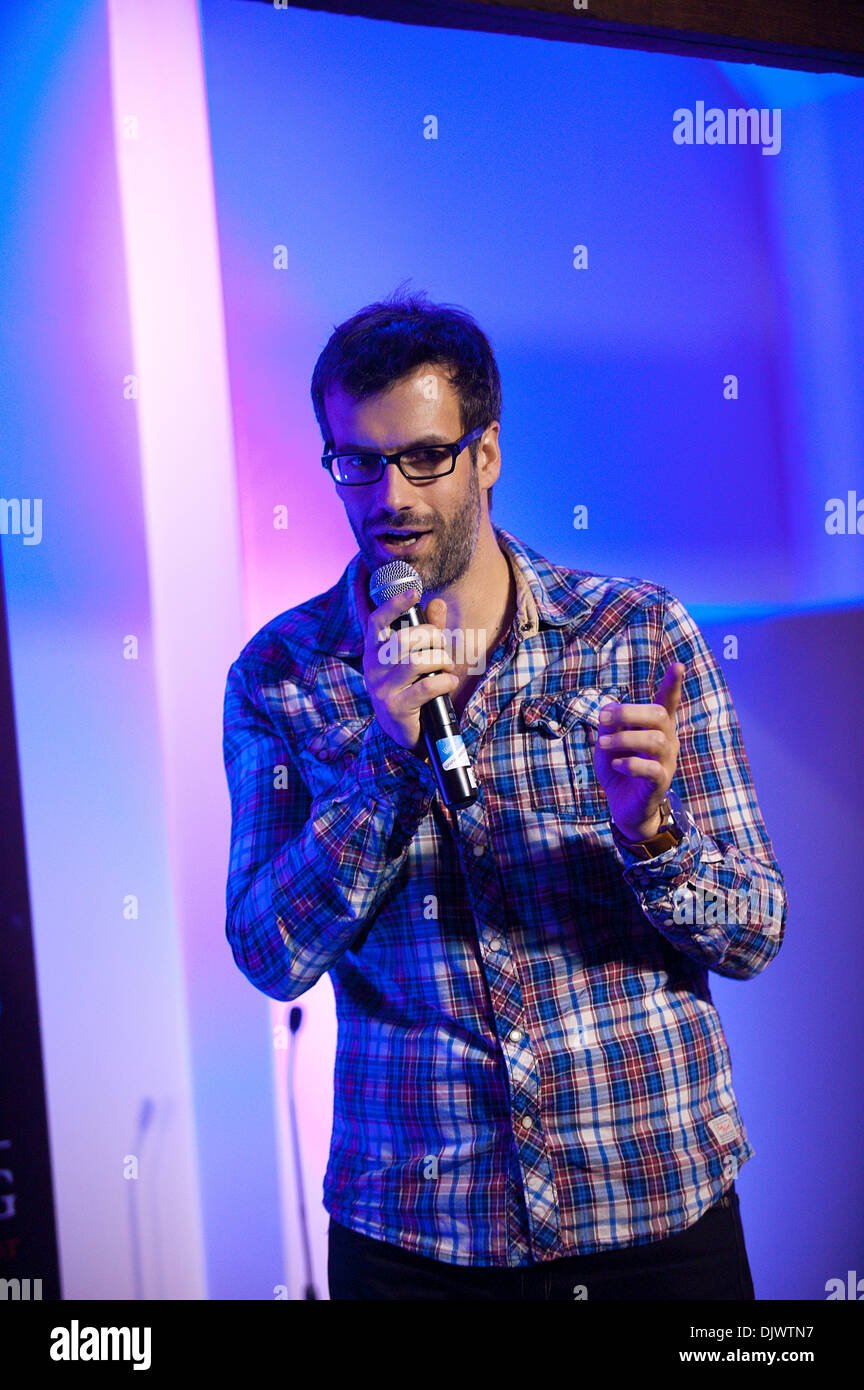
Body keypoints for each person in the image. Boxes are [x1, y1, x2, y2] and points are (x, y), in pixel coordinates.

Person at [222, 289, 786, 1301]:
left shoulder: (636, 635)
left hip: (653, 1217)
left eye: (425, 456)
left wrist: (651, 834)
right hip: (417, 1242)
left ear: (485, 454)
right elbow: (269, 954)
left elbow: (753, 933)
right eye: (358, 459)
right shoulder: (280, 676)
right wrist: (385, 764)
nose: (390, 493)